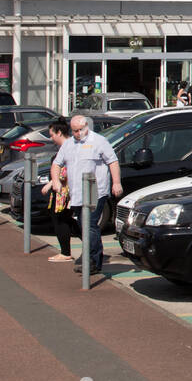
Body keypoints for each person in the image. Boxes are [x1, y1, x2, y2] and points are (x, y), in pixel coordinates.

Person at [51, 115, 123, 276]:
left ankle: (93, 261)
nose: (77, 134)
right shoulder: (69, 145)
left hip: (96, 192)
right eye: (74, 131)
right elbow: (57, 163)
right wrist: (55, 181)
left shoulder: (99, 141)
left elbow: (112, 161)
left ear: (86, 127)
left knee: (89, 225)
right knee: (85, 225)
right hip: (77, 193)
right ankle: (93, 255)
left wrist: (116, 182)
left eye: (79, 130)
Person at [39, 120, 78, 264]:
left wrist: (50, 184)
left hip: (64, 191)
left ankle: (65, 252)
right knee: (67, 220)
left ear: (59, 133)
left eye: (51, 135)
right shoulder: (67, 146)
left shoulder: (69, 147)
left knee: (61, 219)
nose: (51, 138)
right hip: (62, 190)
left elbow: (66, 170)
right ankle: (86, 246)